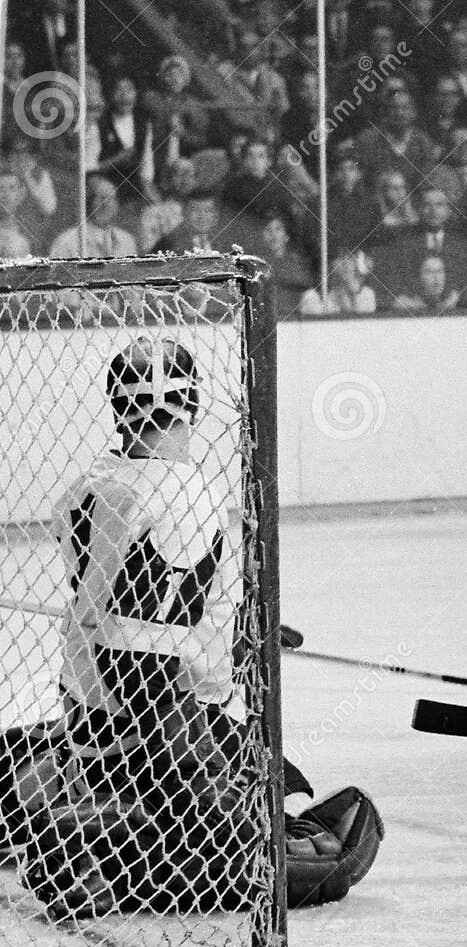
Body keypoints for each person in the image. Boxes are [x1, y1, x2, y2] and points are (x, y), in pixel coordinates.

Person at [0, 339, 382, 914]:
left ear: (116, 406)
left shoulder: (96, 480)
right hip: (160, 729)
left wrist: (227, 628)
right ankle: (103, 850)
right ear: (196, 402)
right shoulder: (182, 494)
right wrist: (207, 797)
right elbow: (143, 655)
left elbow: (136, 600)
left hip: (93, 710)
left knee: (272, 783)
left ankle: (85, 811)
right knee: (329, 845)